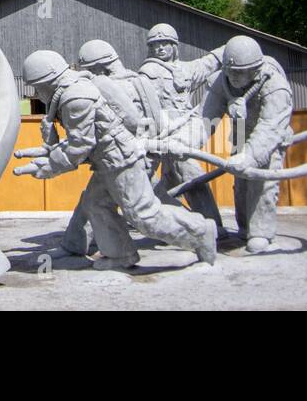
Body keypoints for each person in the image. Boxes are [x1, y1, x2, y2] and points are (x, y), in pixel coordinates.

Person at [15, 50, 216, 269]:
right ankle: (121, 255)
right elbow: (81, 139)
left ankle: (201, 232)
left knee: (144, 215)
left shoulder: (75, 98)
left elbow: (80, 144)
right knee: (96, 204)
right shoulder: (70, 91)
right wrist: (49, 151)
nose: (36, 91)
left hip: (121, 162)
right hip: (108, 162)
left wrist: (49, 167)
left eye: (37, 86)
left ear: (48, 80)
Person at [57, 40, 161, 256]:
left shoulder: (115, 85)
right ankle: (84, 244)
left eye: (90, 70)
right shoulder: (135, 82)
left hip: (130, 155)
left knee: (99, 201)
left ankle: (198, 230)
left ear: (99, 66)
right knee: (97, 200)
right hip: (125, 154)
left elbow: (145, 121)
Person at [198, 36, 293, 253]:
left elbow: (270, 127)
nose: (235, 77)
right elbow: (204, 121)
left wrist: (248, 156)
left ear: (255, 70)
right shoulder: (222, 82)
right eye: (231, 72)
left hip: (269, 137)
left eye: (241, 72)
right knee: (241, 183)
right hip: (241, 133)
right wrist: (184, 143)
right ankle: (244, 226)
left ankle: (261, 232)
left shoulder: (275, 85)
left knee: (262, 180)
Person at [137, 23, 225, 232]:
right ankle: (211, 225)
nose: (160, 48)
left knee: (171, 179)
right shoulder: (147, 73)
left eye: (165, 43)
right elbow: (140, 106)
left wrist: (233, 48)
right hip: (159, 136)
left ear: (174, 46)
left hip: (184, 134)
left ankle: (192, 223)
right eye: (156, 44)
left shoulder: (185, 69)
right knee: (186, 175)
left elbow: (209, 62)